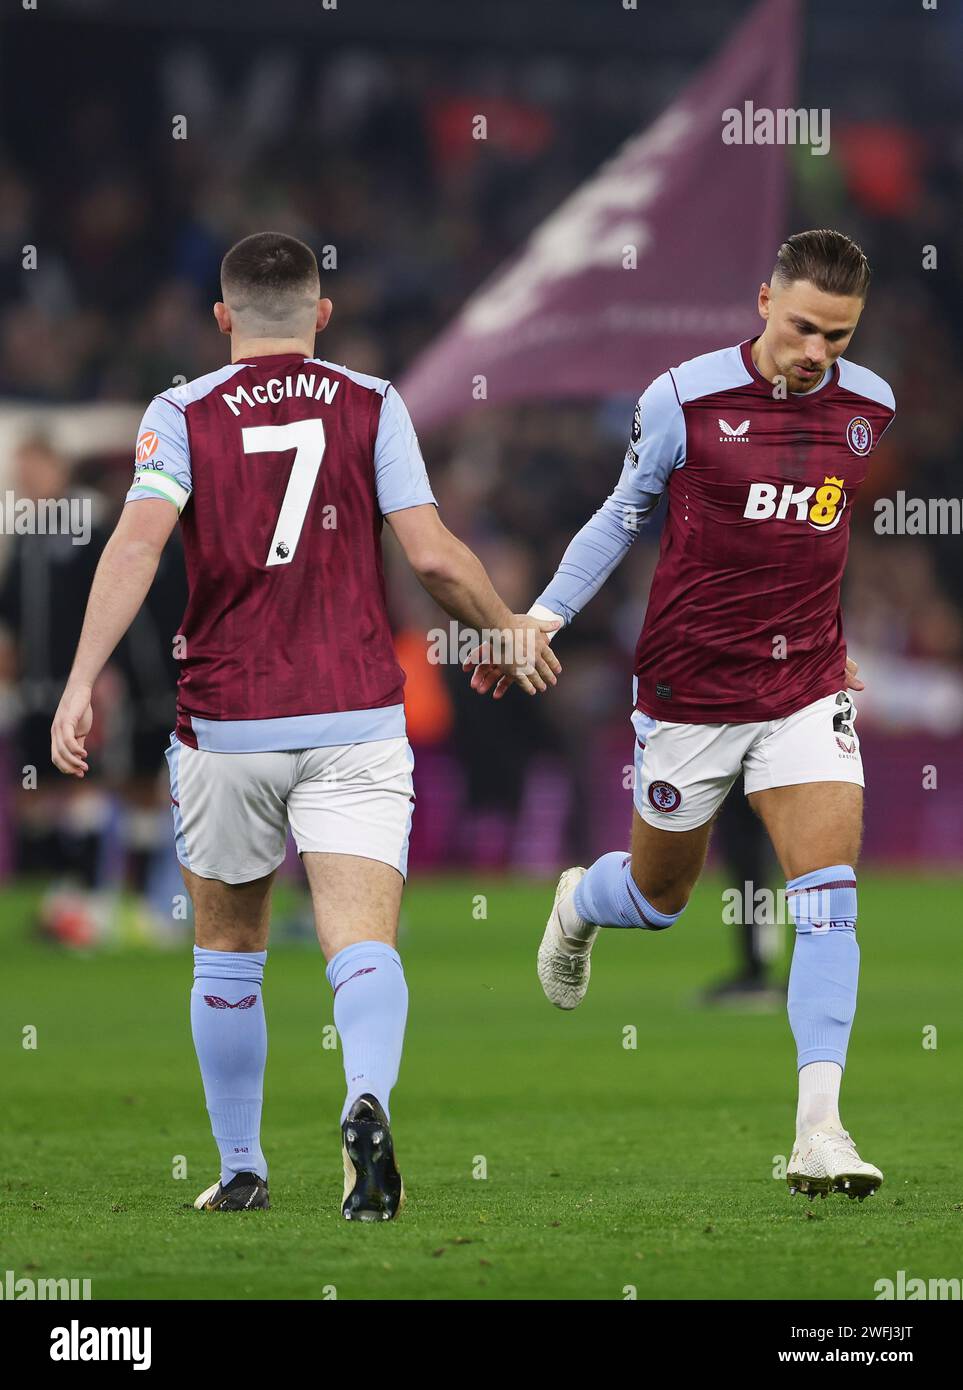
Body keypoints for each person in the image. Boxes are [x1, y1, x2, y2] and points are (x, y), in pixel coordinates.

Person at [51, 231, 560, 1220]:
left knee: (227, 948)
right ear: (322, 316)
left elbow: (137, 545)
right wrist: (503, 633)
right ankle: (363, 1095)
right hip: (358, 716)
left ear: (222, 317)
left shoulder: (181, 411)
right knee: (362, 941)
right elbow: (436, 555)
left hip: (228, 722)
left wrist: (81, 678)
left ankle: (242, 1167)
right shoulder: (374, 403)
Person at [471, 229, 893, 1202]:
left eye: (837, 334)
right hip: (689, 692)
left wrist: (831, 639)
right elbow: (622, 516)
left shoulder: (869, 408)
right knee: (660, 899)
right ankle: (582, 901)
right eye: (801, 328)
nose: (817, 351)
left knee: (828, 899)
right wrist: (540, 618)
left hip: (805, 691)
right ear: (761, 302)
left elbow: (818, 532)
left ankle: (820, 1130)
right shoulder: (684, 399)